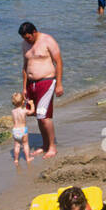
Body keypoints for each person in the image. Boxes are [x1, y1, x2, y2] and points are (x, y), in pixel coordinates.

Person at [19, 21, 63, 158]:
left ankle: (52, 147)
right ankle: (44, 145)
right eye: (24, 38)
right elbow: (25, 66)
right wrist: (24, 87)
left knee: (44, 116)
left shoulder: (47, 40)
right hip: (31, 84)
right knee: (38, 116)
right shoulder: (25, 44)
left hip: (47, 81)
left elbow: (59, 62)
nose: (27, 40)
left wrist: (59, 84)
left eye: (28, 37)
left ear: (34, 32)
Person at [9, 92, 39, 164]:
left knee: (17, 145)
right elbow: (32, 111)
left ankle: (16, 160)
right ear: (23, 102)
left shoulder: (13, 111)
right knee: (25, 144)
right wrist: (32, 104)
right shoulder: (24, 110)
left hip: (15, 130)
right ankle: (28, 158)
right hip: (23, 130)